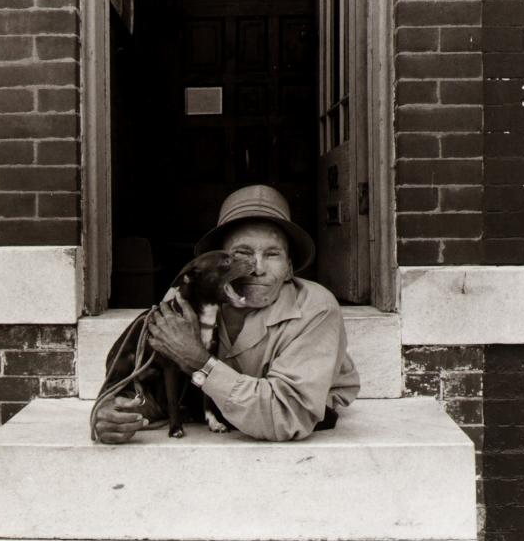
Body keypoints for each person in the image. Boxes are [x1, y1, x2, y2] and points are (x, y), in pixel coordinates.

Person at [92, 184, 360, 443]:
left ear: (290, 269)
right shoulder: (190, 305)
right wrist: (112, 413)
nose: (255, 268)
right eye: (241, 254)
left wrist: (199, 360)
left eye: (272, 254)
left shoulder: (316, 308)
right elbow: (143, 383)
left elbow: (286, 416)